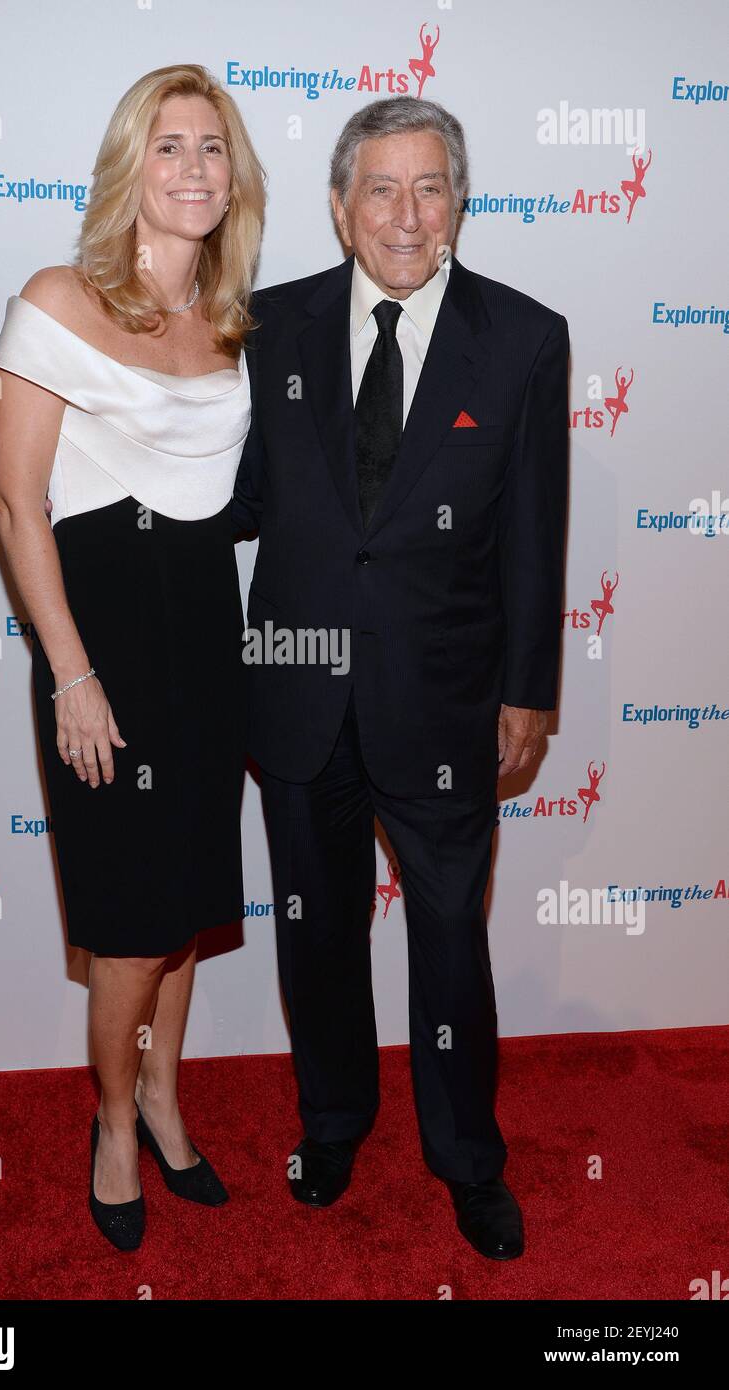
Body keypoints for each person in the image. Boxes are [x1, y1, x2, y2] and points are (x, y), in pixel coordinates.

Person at [233, 96, 569, 1261]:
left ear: (460, 208)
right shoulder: (265, 327)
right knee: (315, 932)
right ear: (338, 208)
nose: (405, 213)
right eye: (381, 188)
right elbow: (222, 498)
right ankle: (332, 1126)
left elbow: (534, 533)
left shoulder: (522, 338)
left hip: (444, 701)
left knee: (445, 939)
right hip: (297, 687)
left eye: (430, 188)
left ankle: (466, 1158)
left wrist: (529, 692)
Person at [0, 65, 265, 1251]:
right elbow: (13, 503)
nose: (193, 168)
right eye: (168, 147)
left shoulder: (239, 318)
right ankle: (110, 1121)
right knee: (130, 924)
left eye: (211, 148)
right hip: (102, 652)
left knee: (190, 909)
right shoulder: (59, 297)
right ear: (128, 168)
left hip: (207, 638)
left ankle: (162, 1097)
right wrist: (73, 674)